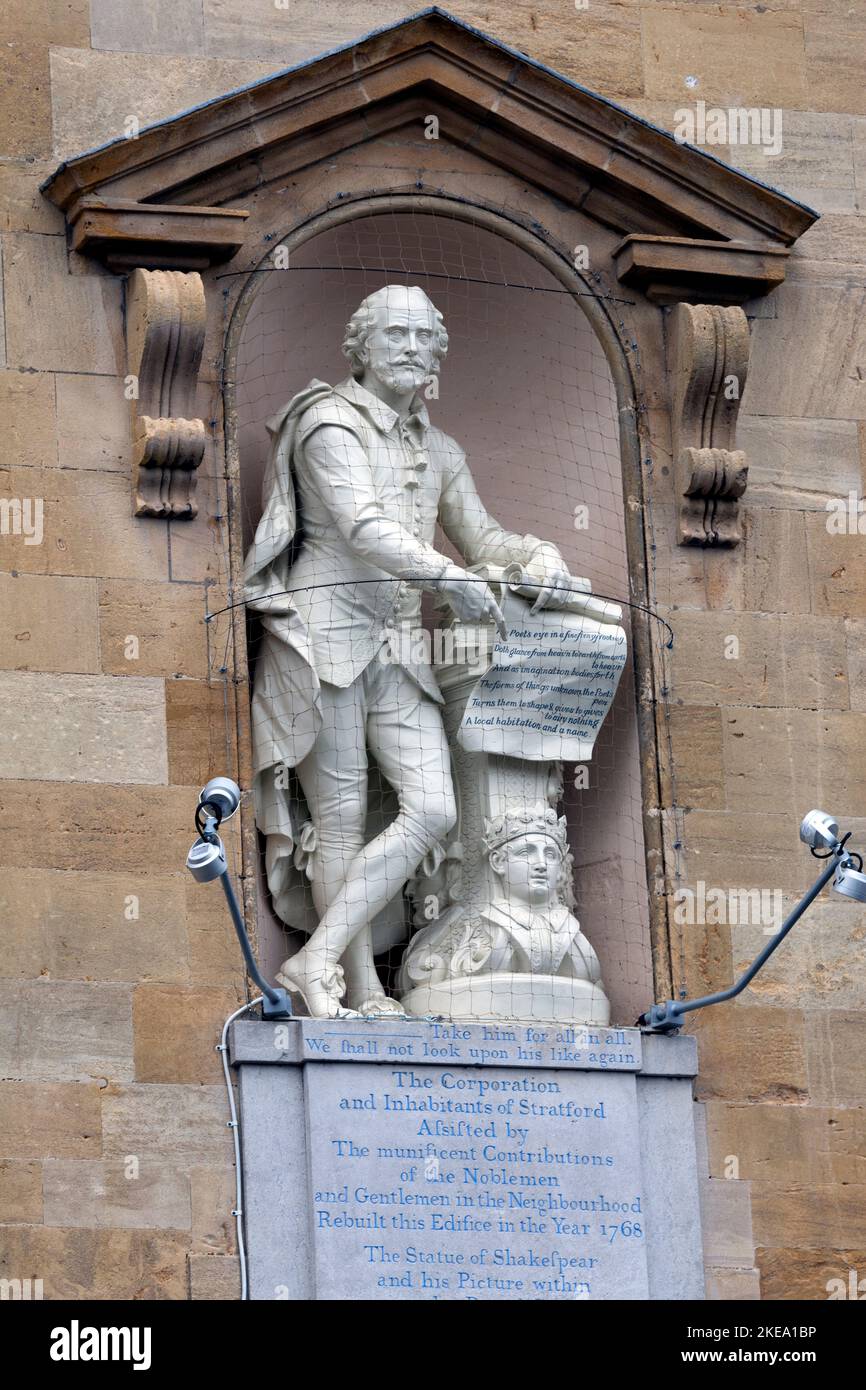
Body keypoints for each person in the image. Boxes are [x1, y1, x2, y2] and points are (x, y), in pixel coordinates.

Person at [243, 284, 585, 1017]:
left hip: (400, 644)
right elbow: (362, 527)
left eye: (424, 337)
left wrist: (539, 555)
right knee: (339, 817)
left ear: (439, 355)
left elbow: (483, 535)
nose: (409, 347)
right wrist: (450, 579)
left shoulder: (440, 449)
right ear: (359, 346)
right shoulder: (326, 422)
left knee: (431, 807)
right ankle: (360, 987)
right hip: (324, 632)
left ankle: (314, 960)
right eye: (394, 334)